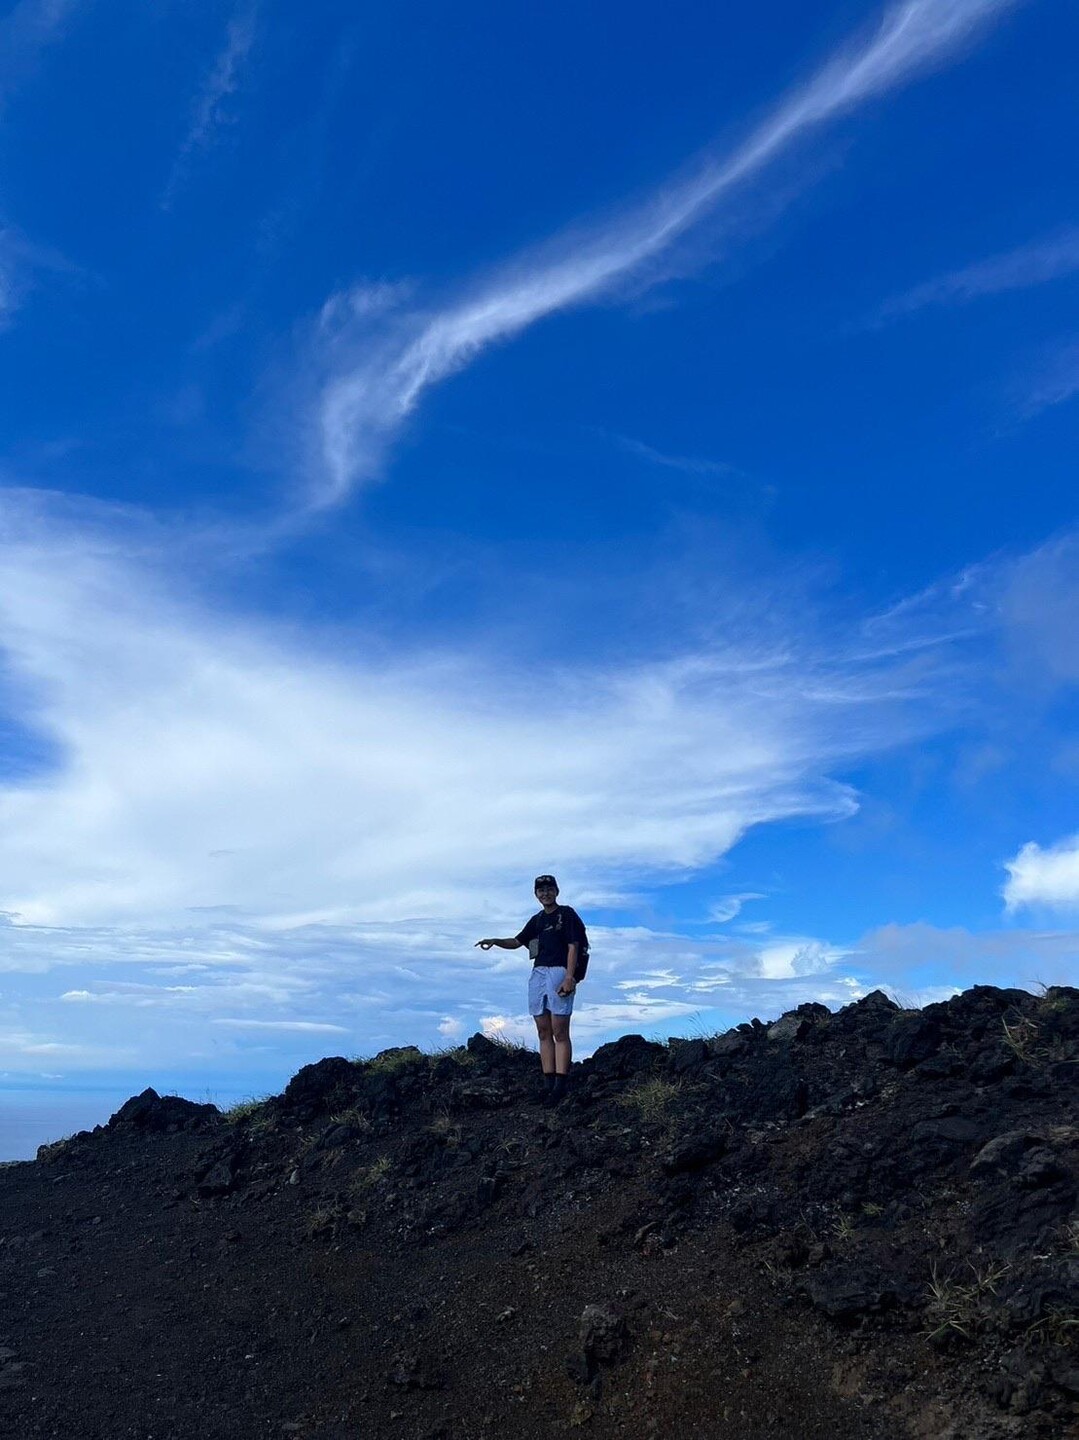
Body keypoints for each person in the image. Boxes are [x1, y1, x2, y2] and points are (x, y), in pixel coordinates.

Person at [476, 874, 585, 1106]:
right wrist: (495, 941)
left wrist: (569, 976)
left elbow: (573, 945)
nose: (545, 893)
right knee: (543, 1031)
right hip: (538, 973)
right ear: (536, 894)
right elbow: (517, 941)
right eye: (541, 890)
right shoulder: (537, 920)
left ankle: (560, 1085)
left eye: (549, 889)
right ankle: (548, 1084)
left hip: (558, 971)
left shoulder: (566, 914)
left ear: (557, 891)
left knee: (560, 1031)